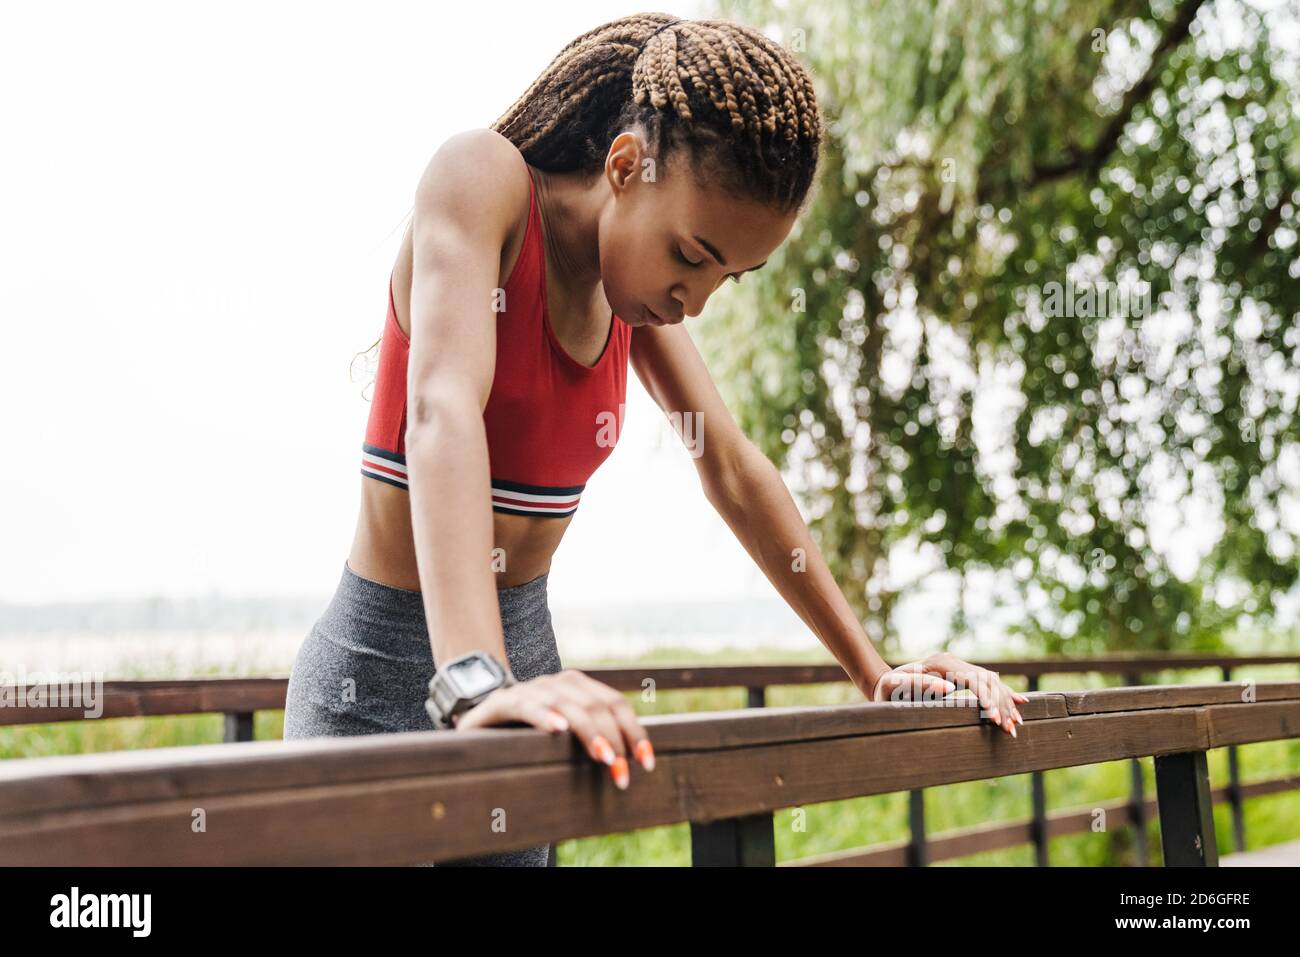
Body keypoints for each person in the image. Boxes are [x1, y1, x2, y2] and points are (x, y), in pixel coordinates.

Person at [283, 12, 1028, 866]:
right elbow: (442, 412)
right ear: (626, 165)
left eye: (727, 276)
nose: (696, 300)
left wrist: (873, 670)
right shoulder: (481, 181)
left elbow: (735, 470)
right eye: (691, 254)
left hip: (527, 687)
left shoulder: (631, 298)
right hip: (378, 685)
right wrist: (472, 680)